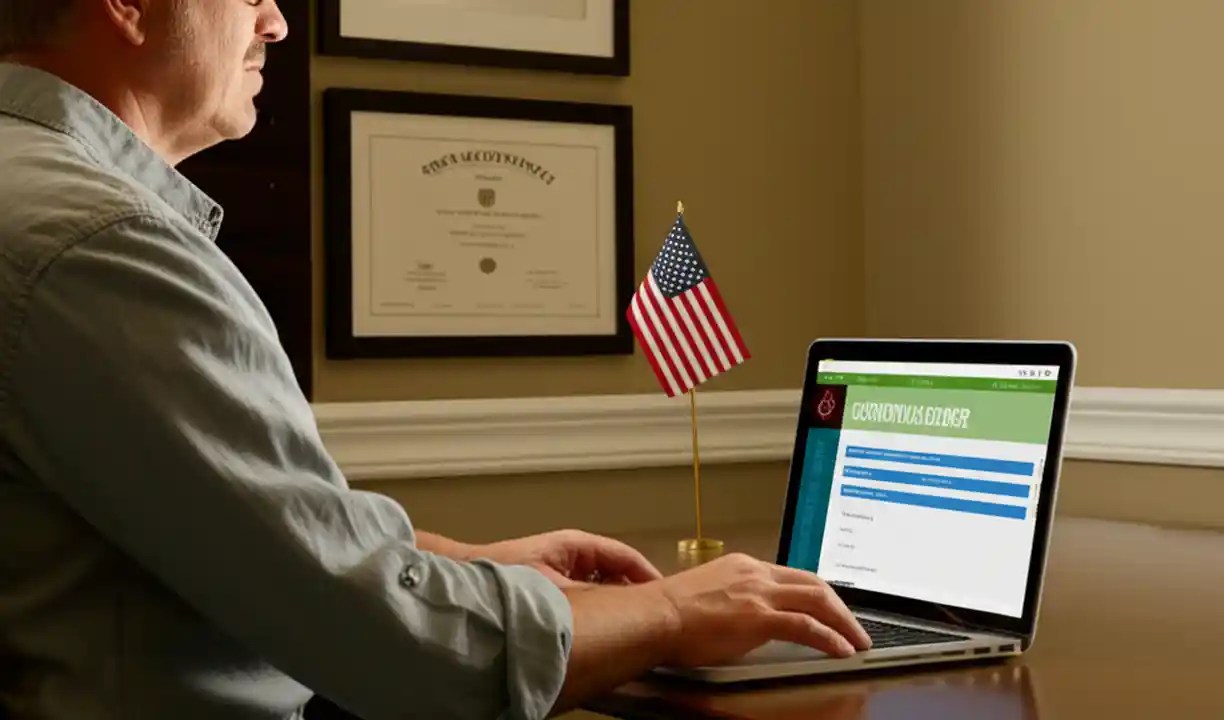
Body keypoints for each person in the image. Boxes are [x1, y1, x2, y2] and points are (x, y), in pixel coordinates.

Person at [0, 1, 871, 718]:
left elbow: (200, 525)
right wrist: (673, 609)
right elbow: (391, 646)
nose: (274, 22)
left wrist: (460, 561)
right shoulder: (102, 247)